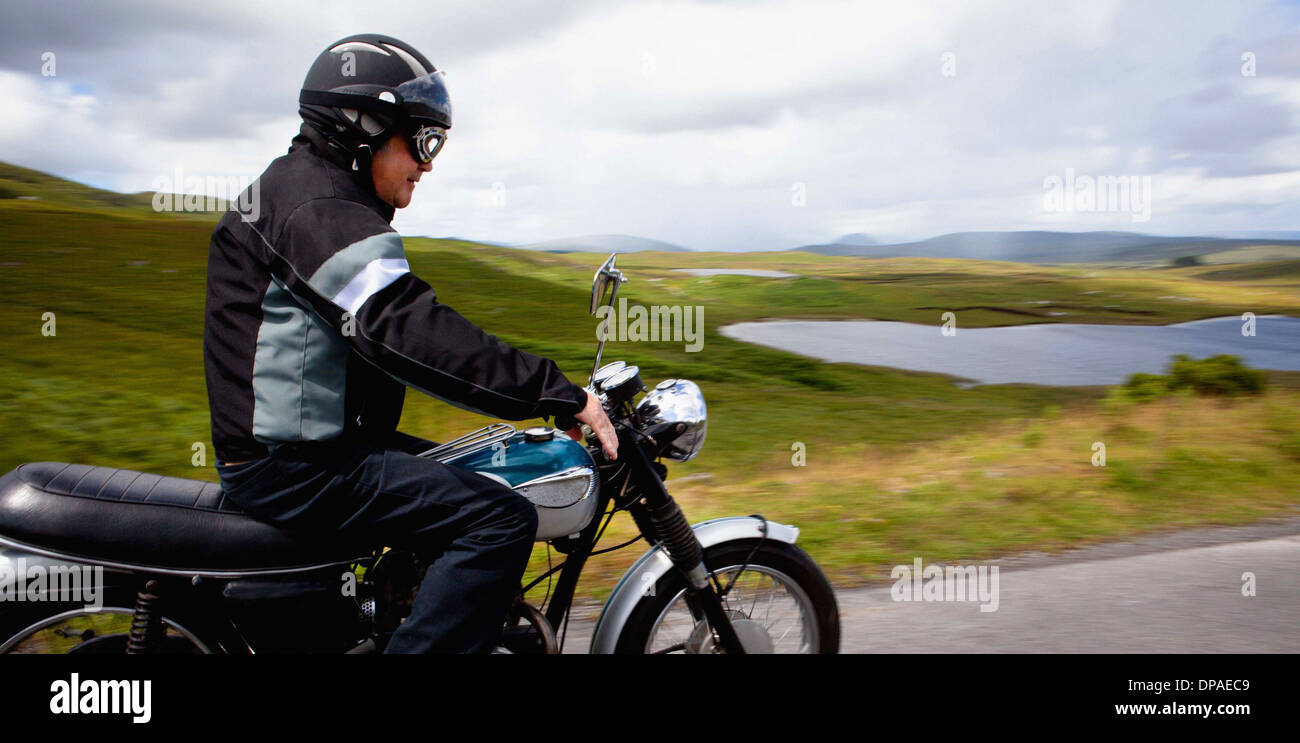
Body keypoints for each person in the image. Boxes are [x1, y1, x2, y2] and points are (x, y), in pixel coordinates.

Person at [202, 33, 617, 653]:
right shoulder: (317, 206)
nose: (429, 164)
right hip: (293, 466)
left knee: (484, 473)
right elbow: (407, 329)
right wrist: (555, 393)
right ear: (362, 127)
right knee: (500, 519)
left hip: (314, 446)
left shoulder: (310, 193)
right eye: (422, 142)